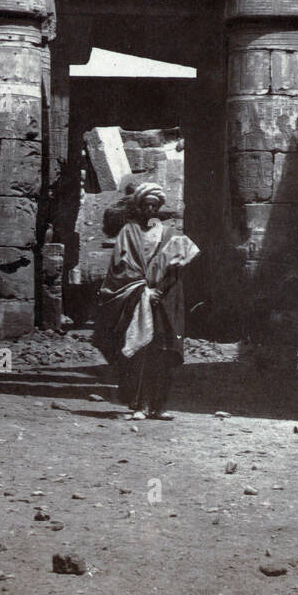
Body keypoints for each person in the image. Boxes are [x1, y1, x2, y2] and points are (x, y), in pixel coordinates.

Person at [92, 179, 200, 421]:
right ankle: (139, 405)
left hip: (164, 300)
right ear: (140, 207)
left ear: (159, 207)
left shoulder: (172, 234)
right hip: (137, 299)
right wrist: (143, 290)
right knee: (139, 351)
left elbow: (177, 268)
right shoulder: (128, 233)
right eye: (146, 206)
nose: (150, 210)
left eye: (154, 206)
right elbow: (121, 269)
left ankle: (159, 406)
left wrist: (161, 289)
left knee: (163, 352)